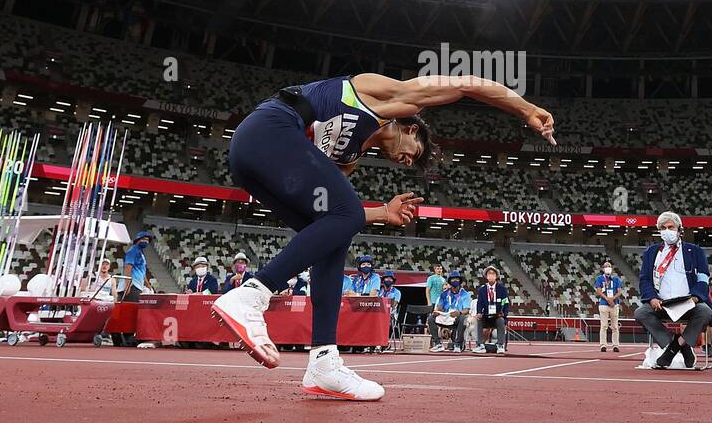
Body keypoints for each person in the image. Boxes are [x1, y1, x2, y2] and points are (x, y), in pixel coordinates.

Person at [212, 73, 555, 400]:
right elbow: (466, 85)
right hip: (264, 132)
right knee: (343, 215)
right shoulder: (382, 94)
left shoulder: (349, 156)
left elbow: (337, 214)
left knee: (336, 235)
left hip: (255, 164)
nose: (408, 162)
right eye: (414, 150)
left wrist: (382, 213)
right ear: (409, 125)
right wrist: (525, 109)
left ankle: (323, 361)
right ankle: (253, 293)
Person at [634, 211, 712, 369]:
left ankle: (674, 348)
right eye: (663, 228)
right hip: (662, 304)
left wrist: (696, 298)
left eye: (670, 227)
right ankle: (677, 344)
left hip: (688, 303)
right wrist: (652, 299)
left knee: (704, 311)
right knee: (641, 312)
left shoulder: (695, 251)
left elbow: (703, 277)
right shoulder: (652, 252)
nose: (667, 230)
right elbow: (644, 280)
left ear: (679, 229)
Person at [430, 272, 472, 352]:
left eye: (457, 279)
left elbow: (466, 310)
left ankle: (458, 344)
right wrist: (437, 312)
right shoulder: (444, 294)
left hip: (457, 316)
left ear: (460, 281)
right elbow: (440, 307)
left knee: (463, 318)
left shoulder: (465, 294)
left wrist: (459, 313)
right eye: (453, 279)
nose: (455, 280)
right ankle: (438, 344)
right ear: (450, 281)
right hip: (446, 316)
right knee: (431, 318)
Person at [473, 265, 510, 354]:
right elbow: (480, 303)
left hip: (497, 316)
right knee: (478, 320)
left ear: (496, 276)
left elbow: (505, 303)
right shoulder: (482, 290)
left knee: (501, 320)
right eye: (489, 273)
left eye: (493, 273)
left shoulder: (502, 289)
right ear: (486, 276)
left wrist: (503, 313)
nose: (491, 275)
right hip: (486, 316)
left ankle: (500, 345)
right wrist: (478, 313)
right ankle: (480, 345)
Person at [593, 259, 622, 352]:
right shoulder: (600, 278)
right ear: (603, 269)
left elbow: (619, 291)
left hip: (614, 304)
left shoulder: (616, 279)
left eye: (609, 266)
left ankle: (615, 345)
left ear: (612, 268)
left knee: (615, 326)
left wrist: (612, 298)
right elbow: (598, 290)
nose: (607, 268)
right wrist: (607, 298)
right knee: (604, 325)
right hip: (604, 304)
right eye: (606, 266)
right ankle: (603, 345)